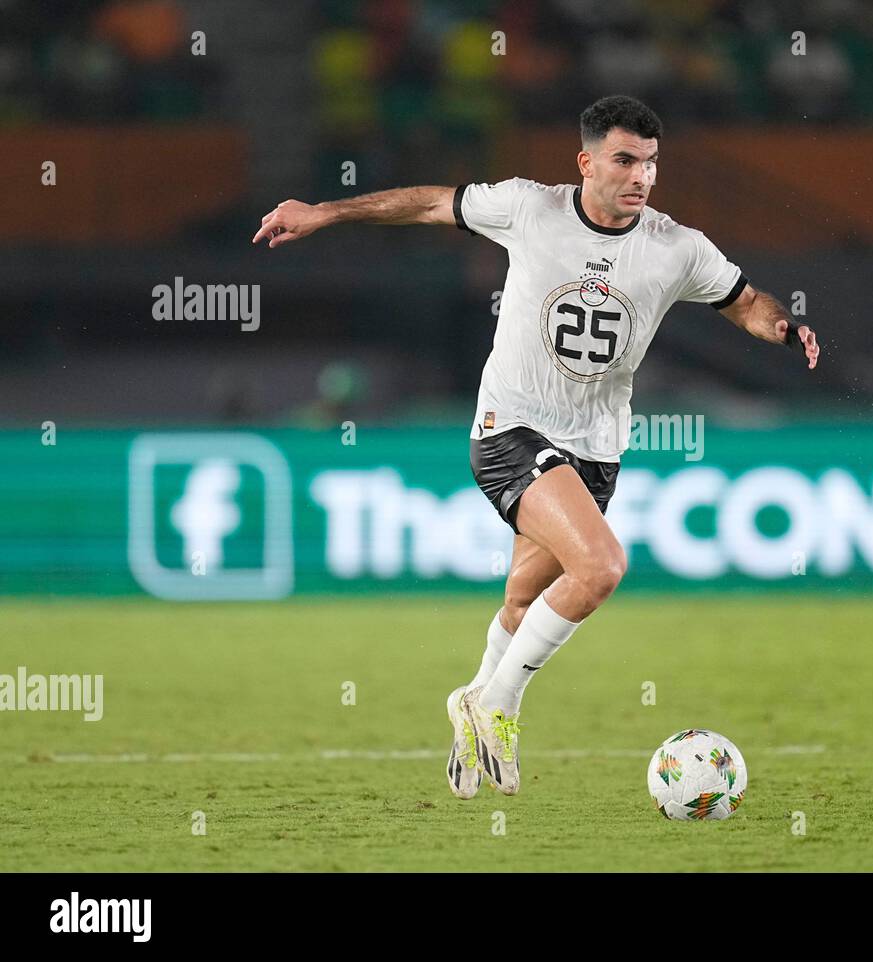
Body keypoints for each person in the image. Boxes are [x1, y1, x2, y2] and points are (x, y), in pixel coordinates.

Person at [253, 95, 820, 799]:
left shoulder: (678, 248)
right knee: (603, 566)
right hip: (511, 428)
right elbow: (429, 204)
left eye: (649, 163)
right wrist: (324, 212)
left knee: (525, 602)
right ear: (585, 163)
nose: (640, 176)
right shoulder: (528, 208)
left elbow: (741, 298)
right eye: (623, 160)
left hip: (597, 450)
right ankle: (500, 706)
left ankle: (472, 700)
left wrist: (782, 326)